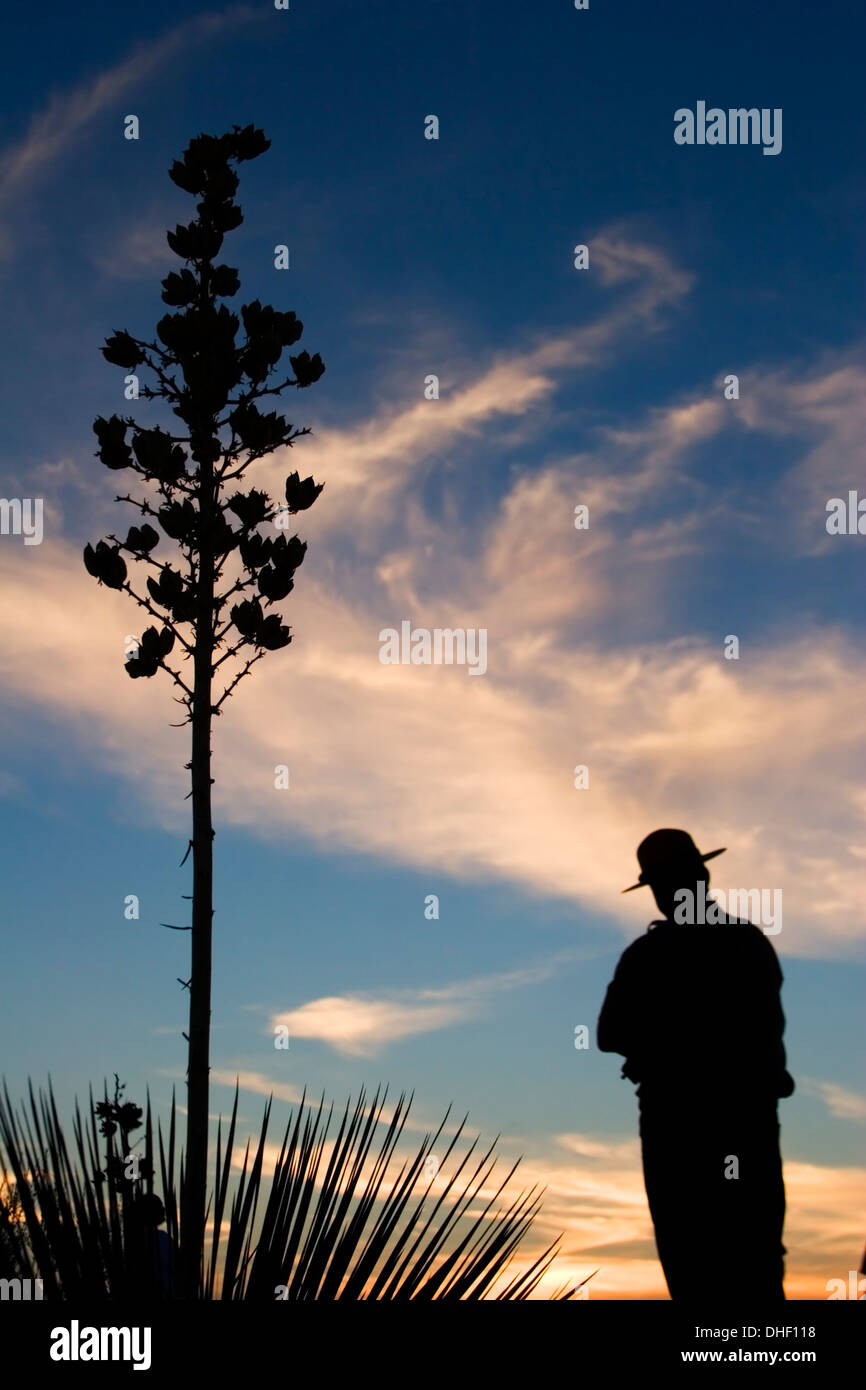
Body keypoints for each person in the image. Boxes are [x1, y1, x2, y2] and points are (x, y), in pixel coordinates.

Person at [597, 828, 794, 1301]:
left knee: (696, 1260)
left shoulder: (648, 956)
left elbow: (609, 1035)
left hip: (682, 1128)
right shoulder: (746, 944)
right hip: (740, 1122)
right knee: (749, 1260)